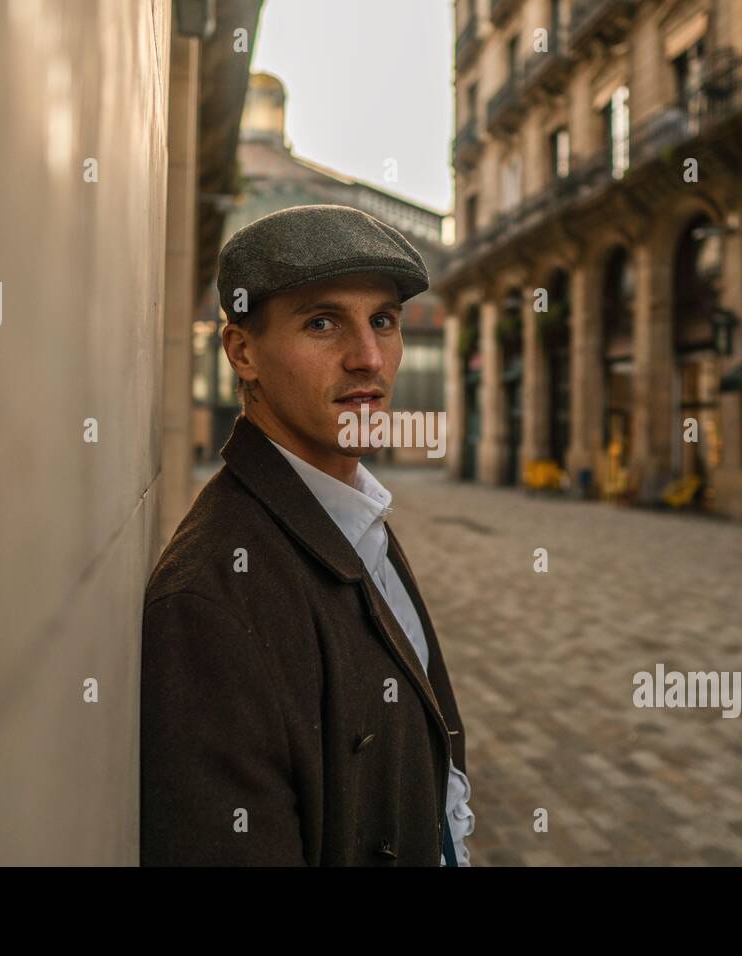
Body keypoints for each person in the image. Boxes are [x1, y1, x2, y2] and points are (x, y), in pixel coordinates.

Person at [141, 204, 474, 866]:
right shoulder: (211, 599)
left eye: (383, 320)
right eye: (322, 323)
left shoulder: (352, 510)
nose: (369, 358)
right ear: (243, 352)